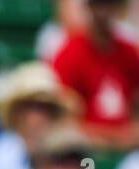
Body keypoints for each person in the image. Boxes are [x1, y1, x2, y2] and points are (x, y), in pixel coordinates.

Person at [51, 0, 139, 147]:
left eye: (109, 4)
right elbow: (62, 113)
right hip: (84, 148)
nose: (104, 10)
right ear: (89, 6)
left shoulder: (129, 52)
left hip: (127, 146)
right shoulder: (70, 52)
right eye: (98, 3)